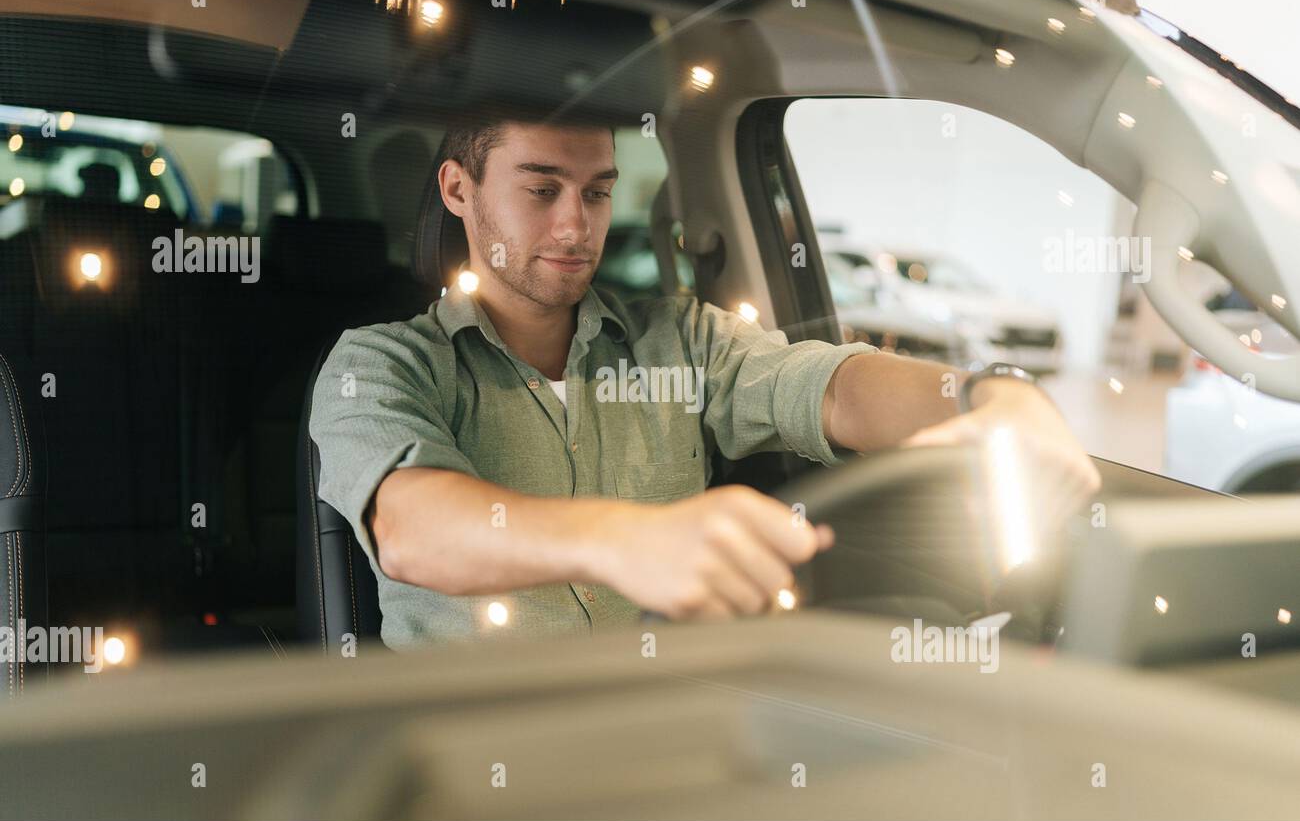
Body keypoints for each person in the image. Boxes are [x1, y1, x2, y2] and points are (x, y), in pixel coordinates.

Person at [310, 118, 1099, 649]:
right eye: (541, 189)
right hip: (476, 767)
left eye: (596, 192)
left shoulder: (678, 337)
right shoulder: (380, 364)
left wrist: (993, 395)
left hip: (685, 732)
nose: (575, 228)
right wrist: (625, 538)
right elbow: (414, 525)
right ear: (458, 190)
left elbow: (828, 387)